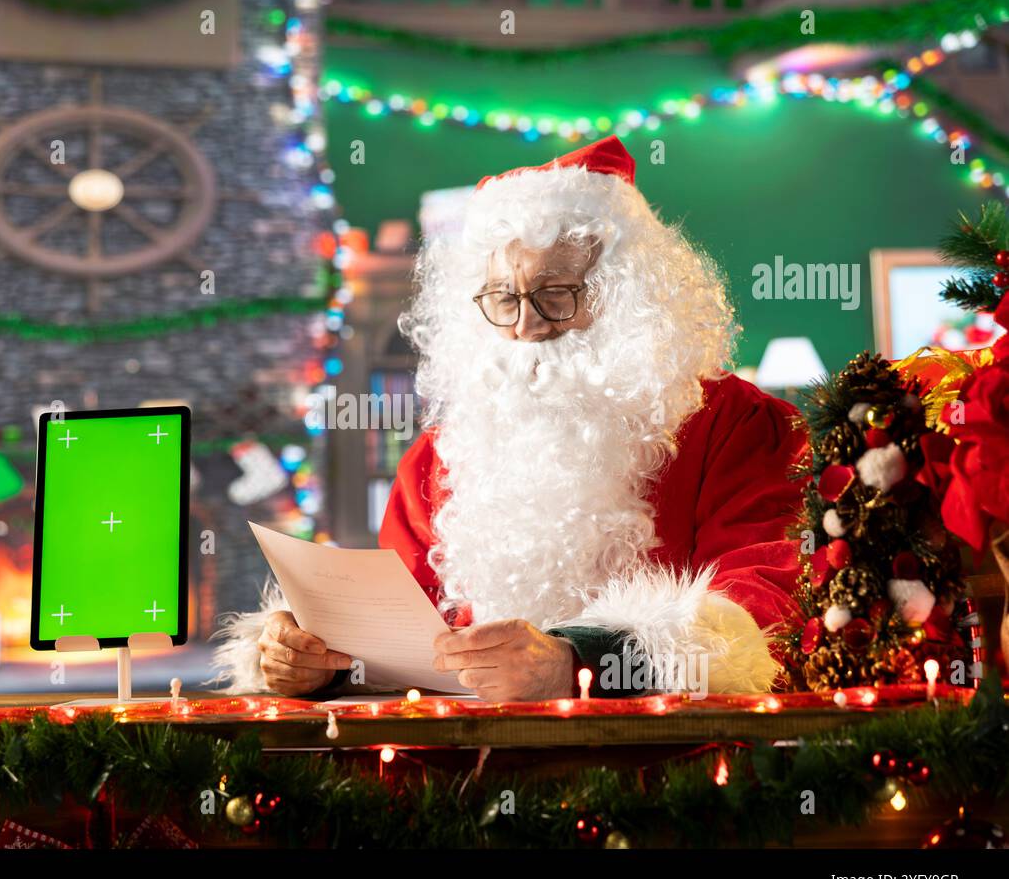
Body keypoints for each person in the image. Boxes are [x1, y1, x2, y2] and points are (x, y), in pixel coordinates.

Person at [214, 136, 806, 700]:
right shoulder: (445, 452)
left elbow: (765, 608)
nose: (526, 327)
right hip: (465, 770)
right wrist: (317, 661)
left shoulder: (740, 424)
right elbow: (399, 627)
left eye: (556, 295)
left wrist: (580, 664)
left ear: (626, 297)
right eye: (504, 299)